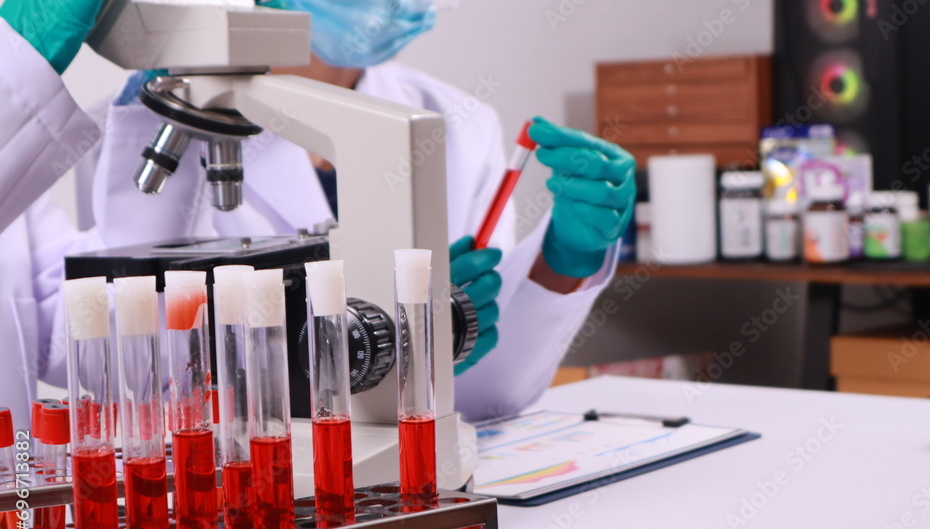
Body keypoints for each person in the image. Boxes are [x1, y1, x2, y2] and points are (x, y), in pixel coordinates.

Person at [0, 0, 636, 428]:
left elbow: (92, 336)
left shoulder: (448, 123)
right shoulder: (180, 114)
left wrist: (556, 265)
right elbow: (122, 357)